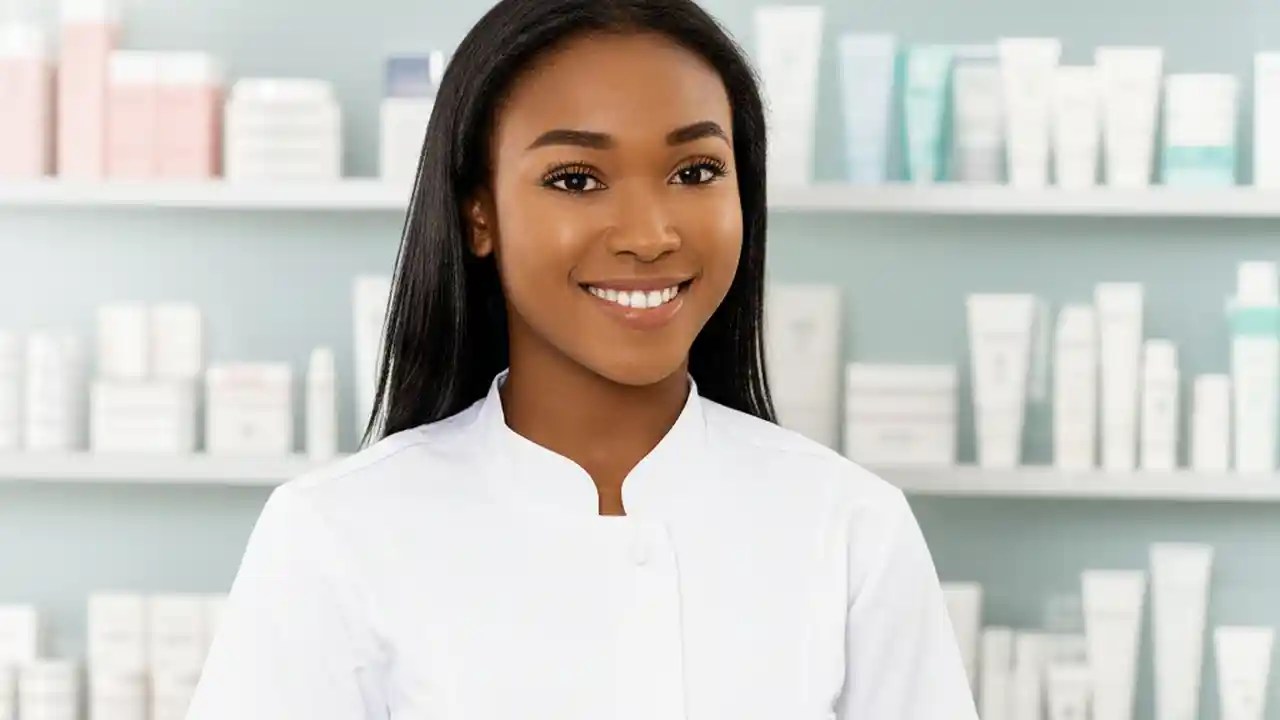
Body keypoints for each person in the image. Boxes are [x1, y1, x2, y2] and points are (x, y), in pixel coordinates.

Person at [186, 1, 978, 718]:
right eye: (576, 178)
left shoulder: (850, 531)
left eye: (695, 172)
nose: (649, 233)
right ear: (479, 213)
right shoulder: (335, 536)